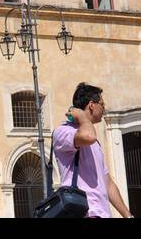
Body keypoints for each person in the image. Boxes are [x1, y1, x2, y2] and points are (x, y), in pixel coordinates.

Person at [51, 82, 132, 218]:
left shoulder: (94, 143)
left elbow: (108, 183)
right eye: (102, 104)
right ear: (92, 105)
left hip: (102, 214)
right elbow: (88, 136)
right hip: (84, 212)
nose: (104, 109)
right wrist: (81, 116)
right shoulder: (63, 131)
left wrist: (127, 215)